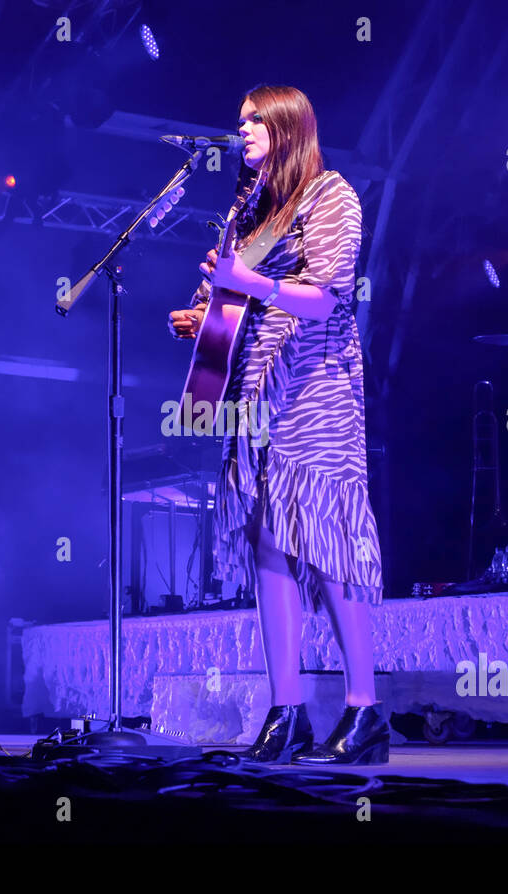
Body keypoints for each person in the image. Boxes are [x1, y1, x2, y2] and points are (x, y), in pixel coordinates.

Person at [168, 85, 387, 765]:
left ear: (287, 126)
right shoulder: (251, 209)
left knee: (325, 540)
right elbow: (229, 301)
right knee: (268, 540)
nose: (241, 131)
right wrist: (200, 320)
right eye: (238, 122)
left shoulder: (332, 195)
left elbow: (325, 298)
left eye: (252, 121)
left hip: (316, 387)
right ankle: (286, 709)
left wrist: (251, 285)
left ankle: (365, 711)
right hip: (255, 391)